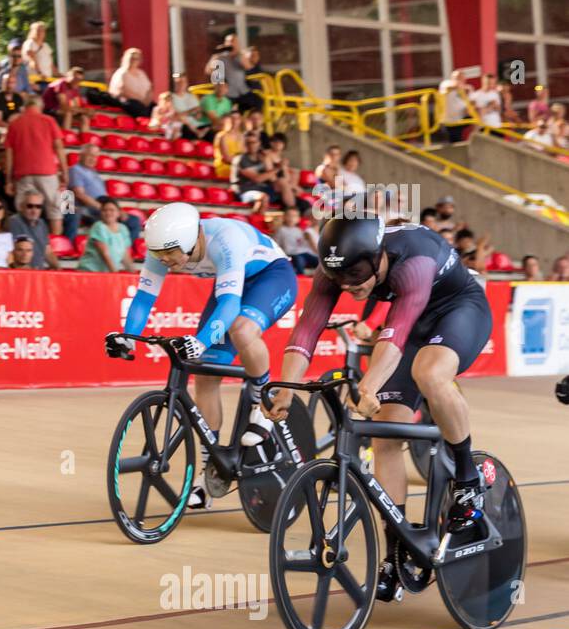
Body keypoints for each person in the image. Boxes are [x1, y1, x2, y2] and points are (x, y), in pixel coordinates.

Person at [264, 216, 496, 600]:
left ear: (379, 257)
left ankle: (468, 479)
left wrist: (368, 387)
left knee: (430, 372)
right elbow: (307, 328)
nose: (349, 287)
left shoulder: (414, 261)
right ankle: (397, 551)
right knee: (386, 437)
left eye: (358, 277)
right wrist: (287, 390)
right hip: (412, 323)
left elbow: (397, 333)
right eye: (341, 279)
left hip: (459, 311)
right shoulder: (335, 268)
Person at [106, 203, 296, 508]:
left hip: (271, 277)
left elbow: (230, 307)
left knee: (242, 330)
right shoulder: (163, 249)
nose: (165, 261)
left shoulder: (226, 238)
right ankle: (209, 474)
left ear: (193, 239)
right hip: (229, 285)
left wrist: (201, 340)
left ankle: (265, 400)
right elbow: (143, 298)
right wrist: (127, 338)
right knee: (206, 375)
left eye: (170, 253)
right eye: (159, 255)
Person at [3, 93, 68, 233]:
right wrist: (64, 172)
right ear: (41, 106)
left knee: (23, 210)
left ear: (25, 107)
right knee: (55, 209)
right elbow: (59, 148)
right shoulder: (49, 120)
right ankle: (57, 245)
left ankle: (23, 244)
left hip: (22, 174)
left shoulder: (14, 124)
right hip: (47, 172)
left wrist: (8, 180)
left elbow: (9, 155)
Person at [77, 198, 136, 273]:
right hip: (90, 271)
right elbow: (105, 254)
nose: (108, 213)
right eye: (104, 210)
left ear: (118, 213)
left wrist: (134, 275)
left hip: (108, 273)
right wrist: (115, 274)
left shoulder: (123, 229)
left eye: (112, 210)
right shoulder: (98, 226)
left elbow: (125, 255)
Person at [8, 193, 59, 270]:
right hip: (21, 274)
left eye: (38, 207)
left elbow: (48, 252)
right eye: (30, 206)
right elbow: (9, 252)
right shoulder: (13, 222)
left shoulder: (42, 224)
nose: (34, 210)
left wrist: (58, 268)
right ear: (21, 206)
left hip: (38, 273)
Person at [42, 67, 91, 134]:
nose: (77, 81)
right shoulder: (61, 84)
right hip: (49, 111)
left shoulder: (75, 86)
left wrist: (84, 111)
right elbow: (64, 106)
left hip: (59, 111)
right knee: (68, 114)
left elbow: (77, 106)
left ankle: (85, 139)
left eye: (79, 80)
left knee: (84, 117)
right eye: (75, 78)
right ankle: (66, 137)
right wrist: (81, 110)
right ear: (68, 76)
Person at [271, 206, 318, 274]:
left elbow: (302, 243)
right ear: (284, 217)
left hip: (302, 253)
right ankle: (300, 276)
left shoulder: (299, 230)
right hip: (290, 254)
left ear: (298, 219)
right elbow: (275, 244)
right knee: (299, 261)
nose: (291, 218)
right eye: (289, 216)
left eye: (294, 216)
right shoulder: (281, 230)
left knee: (318, 261)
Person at [108, 47, 152, 118]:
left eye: (136, 58)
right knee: (139, 108)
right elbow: (121, 91)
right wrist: (140, 100)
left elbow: (149, 89)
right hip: (130, 103)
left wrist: (146, 101)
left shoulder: (142, 73)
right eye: (131, 58)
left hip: (144, 103)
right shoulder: (121, 73)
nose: (133, 60)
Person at [21, 21, 54, 87]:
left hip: (47, 78)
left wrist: (59, 74)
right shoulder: (29, 43)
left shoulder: (46, 45)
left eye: (42, 31)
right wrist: (40, 73)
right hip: (36, 80)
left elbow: (51, 64)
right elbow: (32, 61)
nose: (40, 33)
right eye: (38, 30)